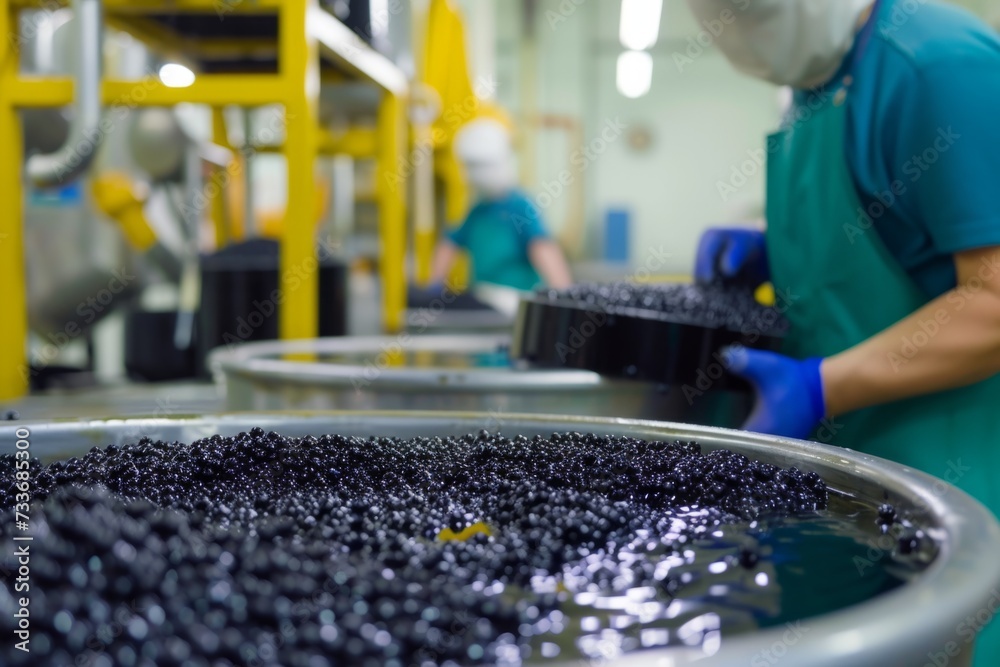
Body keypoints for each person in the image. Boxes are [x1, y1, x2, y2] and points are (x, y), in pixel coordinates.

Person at [687, 0, 1000, 662]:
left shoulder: (937, 66)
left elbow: (995, 302)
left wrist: (818, 386)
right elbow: (895, 231)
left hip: (957, 477)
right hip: (847, 476)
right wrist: (781, 249)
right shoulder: (812, 84)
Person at [428, 118, 572, 292]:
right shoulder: (478, 211)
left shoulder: (521, 206)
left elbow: (543, 249)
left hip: (514, 300)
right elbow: (450, 244)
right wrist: (433, 286)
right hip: (482, 299)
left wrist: (564, 294)